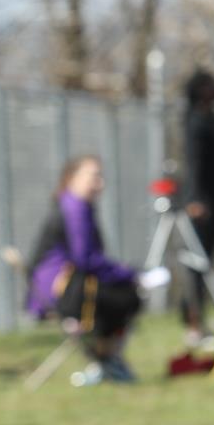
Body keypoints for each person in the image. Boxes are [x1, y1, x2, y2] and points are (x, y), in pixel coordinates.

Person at [27, 156, 141, 384]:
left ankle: (105, 360)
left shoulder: (78, 206)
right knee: (126, 297)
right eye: (93, 176)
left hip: (71, 284)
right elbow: (85, 259)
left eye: (101, 176)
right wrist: (128, 274)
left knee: (125, 293)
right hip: (59, 291)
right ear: (72, 178)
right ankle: (106, 361)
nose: (100, 183)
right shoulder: (74, 208)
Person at [178, 69, 214, 345]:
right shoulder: (195, 122)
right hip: (202, 203)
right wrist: (196, 199)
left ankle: (198, 318)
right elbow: (194, 164)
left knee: (206, 262)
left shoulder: (213, 120)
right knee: (196, 263)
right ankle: (193, 321)